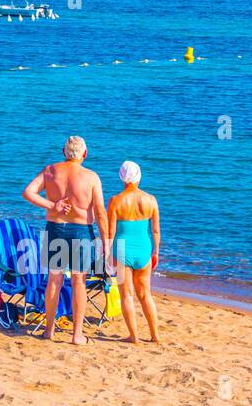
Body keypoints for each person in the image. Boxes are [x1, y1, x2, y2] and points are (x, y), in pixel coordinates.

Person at [22, 135, 105, 346]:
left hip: (56, 228)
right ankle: (77, 335)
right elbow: (100, 212)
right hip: (81, 231)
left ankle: (48, 331)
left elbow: (28, 193)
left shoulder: (50, 170)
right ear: (85, 154)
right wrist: (106, 240)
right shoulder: (91, 177)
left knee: (54, 280)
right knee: (79, 281)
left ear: (63, 152)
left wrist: (52, 206)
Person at [106, 160, 161, 344]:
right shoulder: (151, 200)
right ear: (139, 176)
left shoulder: (115, 201)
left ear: (121, 177)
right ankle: (155, 336)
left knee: (127, 295)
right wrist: (156, 252)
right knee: (145, 294)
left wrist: (107, 252)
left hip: (122, 251)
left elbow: (111, 231)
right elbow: (155, 231)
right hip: (144, 249)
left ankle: (134, 337)